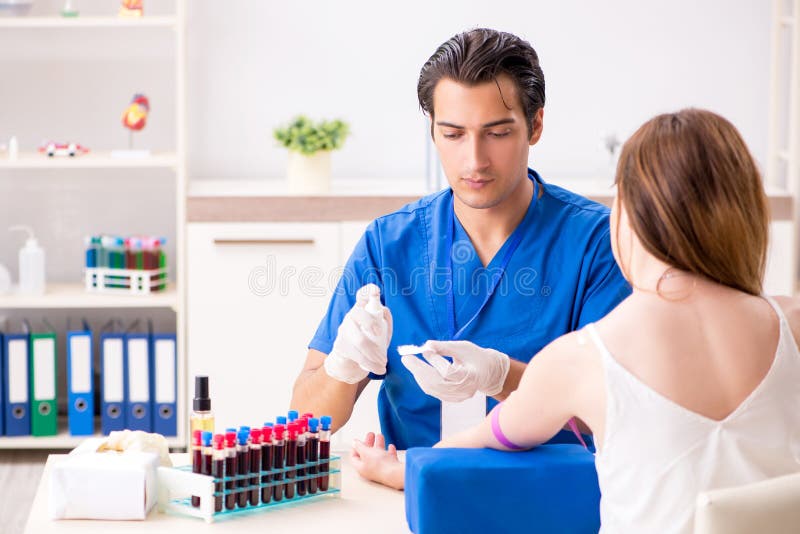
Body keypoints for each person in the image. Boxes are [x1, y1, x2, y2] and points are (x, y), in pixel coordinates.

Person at [351, 108, 800, 533]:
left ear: (625, 214)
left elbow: (480, 444)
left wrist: (400, 468)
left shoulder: (584, 357)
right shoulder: (793, 324)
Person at [290, 28, 630, 450]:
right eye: (453, 135)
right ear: (432, 129)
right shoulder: (388, 244)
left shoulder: (597, 242)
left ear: (535, 125)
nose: (475, 160)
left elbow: (617, 411)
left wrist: (501, 376)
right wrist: (341, 367)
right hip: (415, 496)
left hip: (549, 500)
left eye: (498, 133)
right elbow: (307, 423)